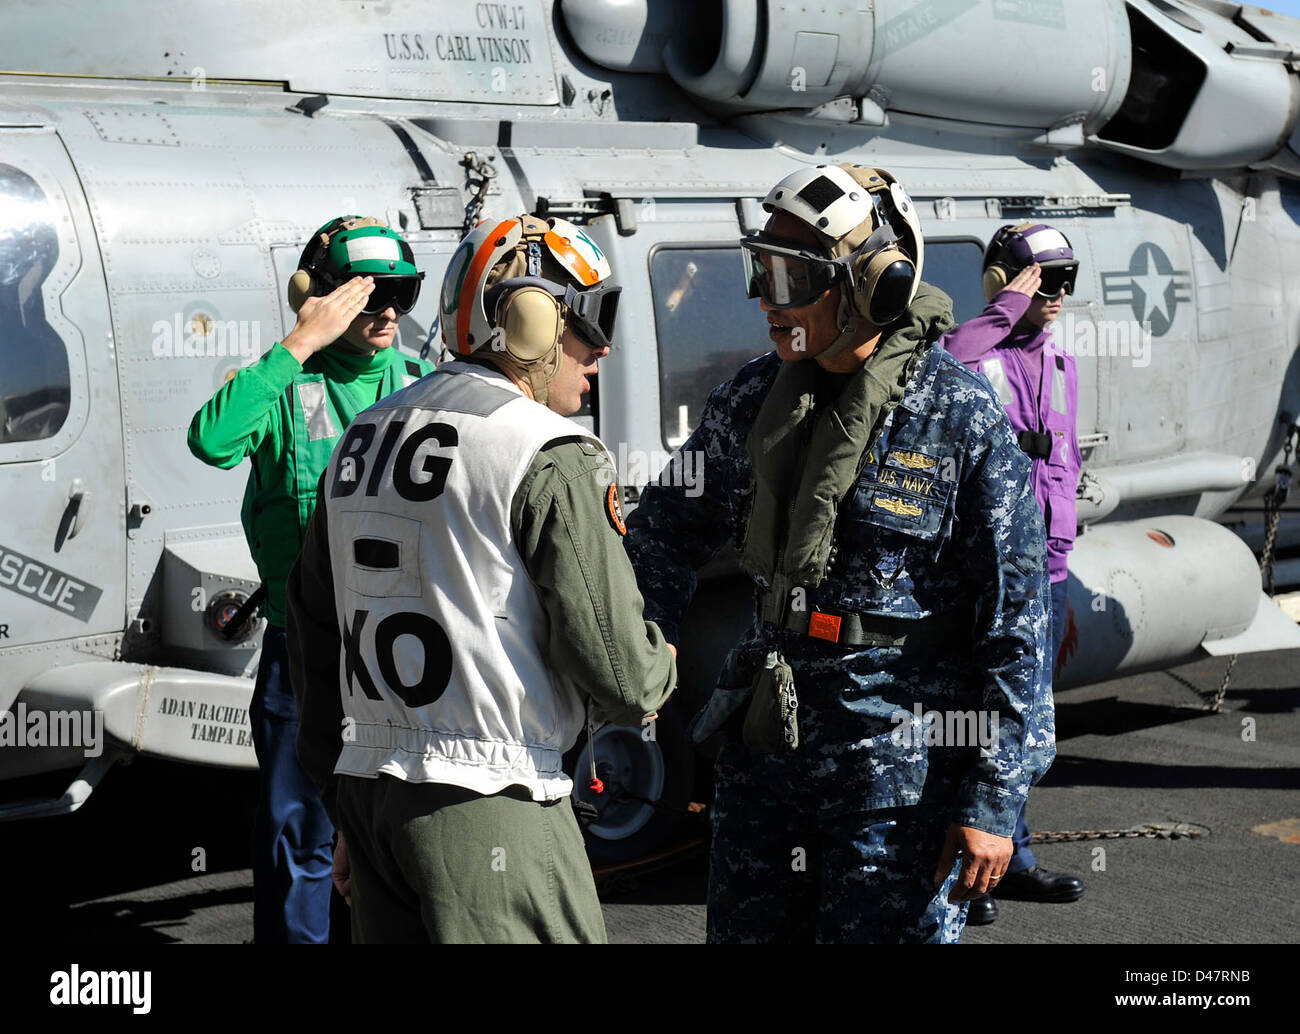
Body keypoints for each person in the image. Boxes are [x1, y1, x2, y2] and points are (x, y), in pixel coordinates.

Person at [625, 163, 1055, 943]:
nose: (766, 296)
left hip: (898, 779)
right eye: (761, 267)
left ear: (874, 284)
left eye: (792, 276)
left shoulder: (958, 418)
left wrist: (994, 801)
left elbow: (1016, 623)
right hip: (765, 759)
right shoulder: (753, 398)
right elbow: (663, 528)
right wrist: (639, 652)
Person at [285, 213, 677, 943]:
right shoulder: (547, 449)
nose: (602, 347)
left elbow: (312, 637)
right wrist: (660, 669)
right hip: (492, 802)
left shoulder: (361, 437)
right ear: (529, 321)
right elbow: (620, 673)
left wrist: (343, 806)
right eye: (589, 320)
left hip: (371, 802)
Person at [187, 216, 435, 943]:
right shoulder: (280, 386)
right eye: (368, 295)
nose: (387, 310)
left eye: (402, 293)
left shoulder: (422, 386)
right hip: (308, 655)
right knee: (300, 838)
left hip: (400, 657)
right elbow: (211, 440)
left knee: (397, 835)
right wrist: (301, 342)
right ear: (318, 297)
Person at [939, 223, 1087, 924]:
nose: (1056, 294)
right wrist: (999, 310)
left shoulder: (1060, 363)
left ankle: (1011, 859)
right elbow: (946, 358)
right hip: (983, 573)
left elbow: (1065, 468)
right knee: (969, 723)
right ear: (1004, 280)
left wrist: (1064, 580)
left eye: (1066, 280)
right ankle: (959, 873)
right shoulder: (974, 353)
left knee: (1026, 726)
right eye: (1042, 279)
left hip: (1043, 575)